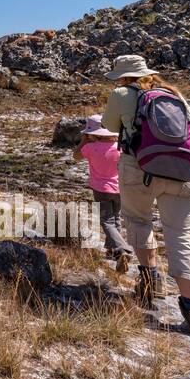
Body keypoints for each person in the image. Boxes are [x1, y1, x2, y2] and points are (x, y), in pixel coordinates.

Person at [101, 54, 190, 337]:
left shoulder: (121, 93)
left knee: (138, 221)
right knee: (182, 236)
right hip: (183, 170)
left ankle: (151, 284)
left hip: (139, 167)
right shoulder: (173, 93)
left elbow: (110, 127)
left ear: (122, 76)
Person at [72, 114, 134, 272]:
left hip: (100, 189)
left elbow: (76, 156)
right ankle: (113, 250)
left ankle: (122, 248)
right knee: (116, 218)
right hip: (120, 188)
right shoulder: (119, 147)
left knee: (106, 221)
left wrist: (84, 140)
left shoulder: (91, 147)